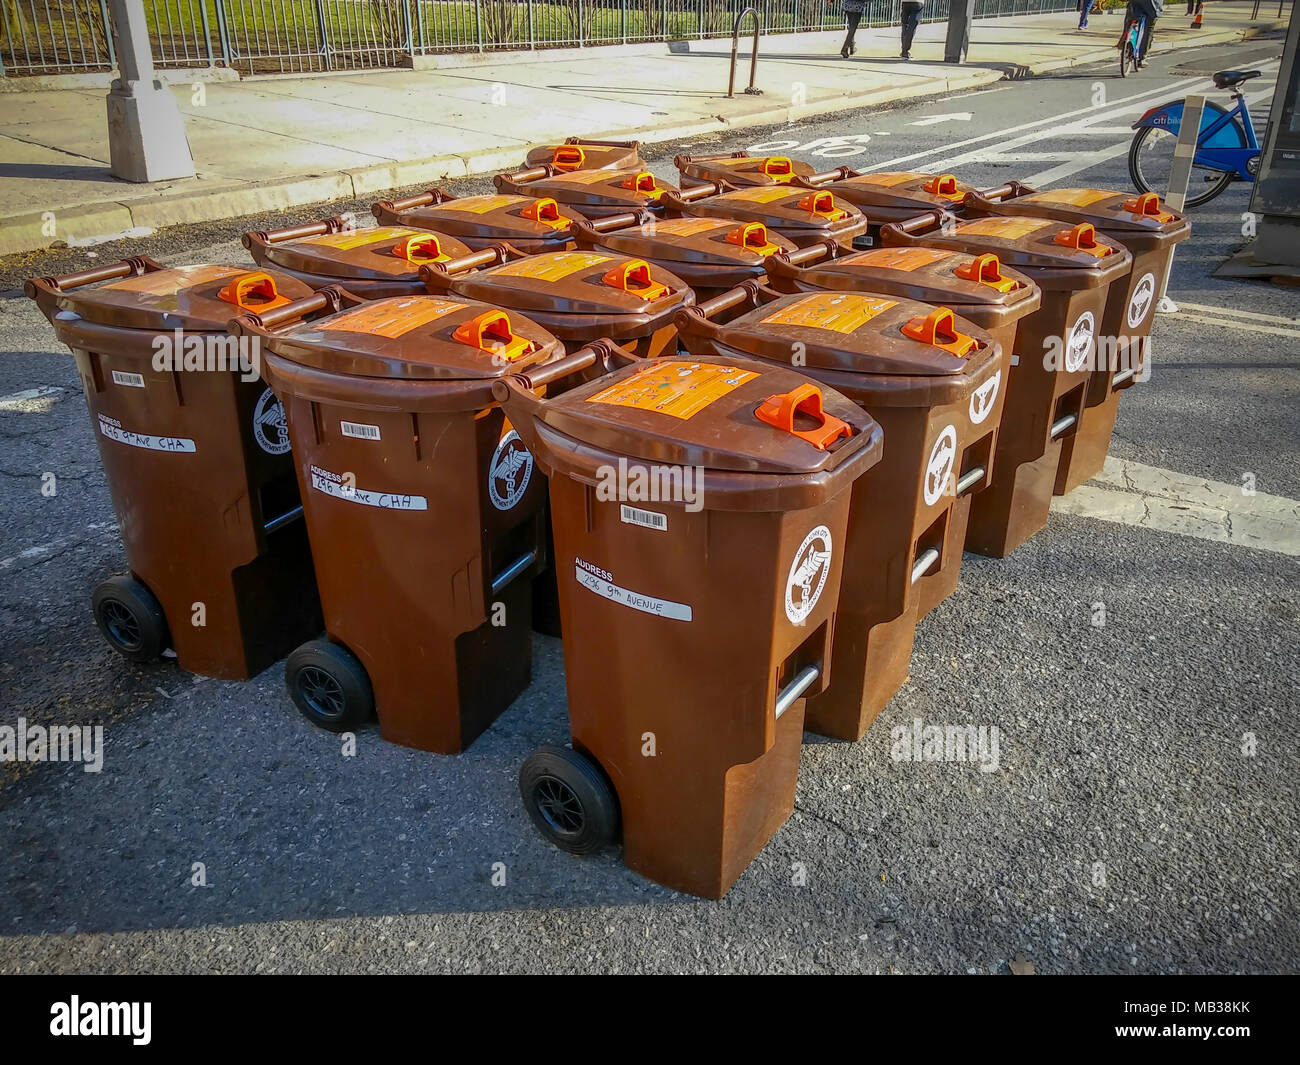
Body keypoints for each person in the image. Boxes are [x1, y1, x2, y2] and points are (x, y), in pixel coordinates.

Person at [1120, 0, 1160, 66]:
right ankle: (1142, 58)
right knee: (1149, 27)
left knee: (1131, 17)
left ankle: (1125, 42)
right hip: (1150, 4)